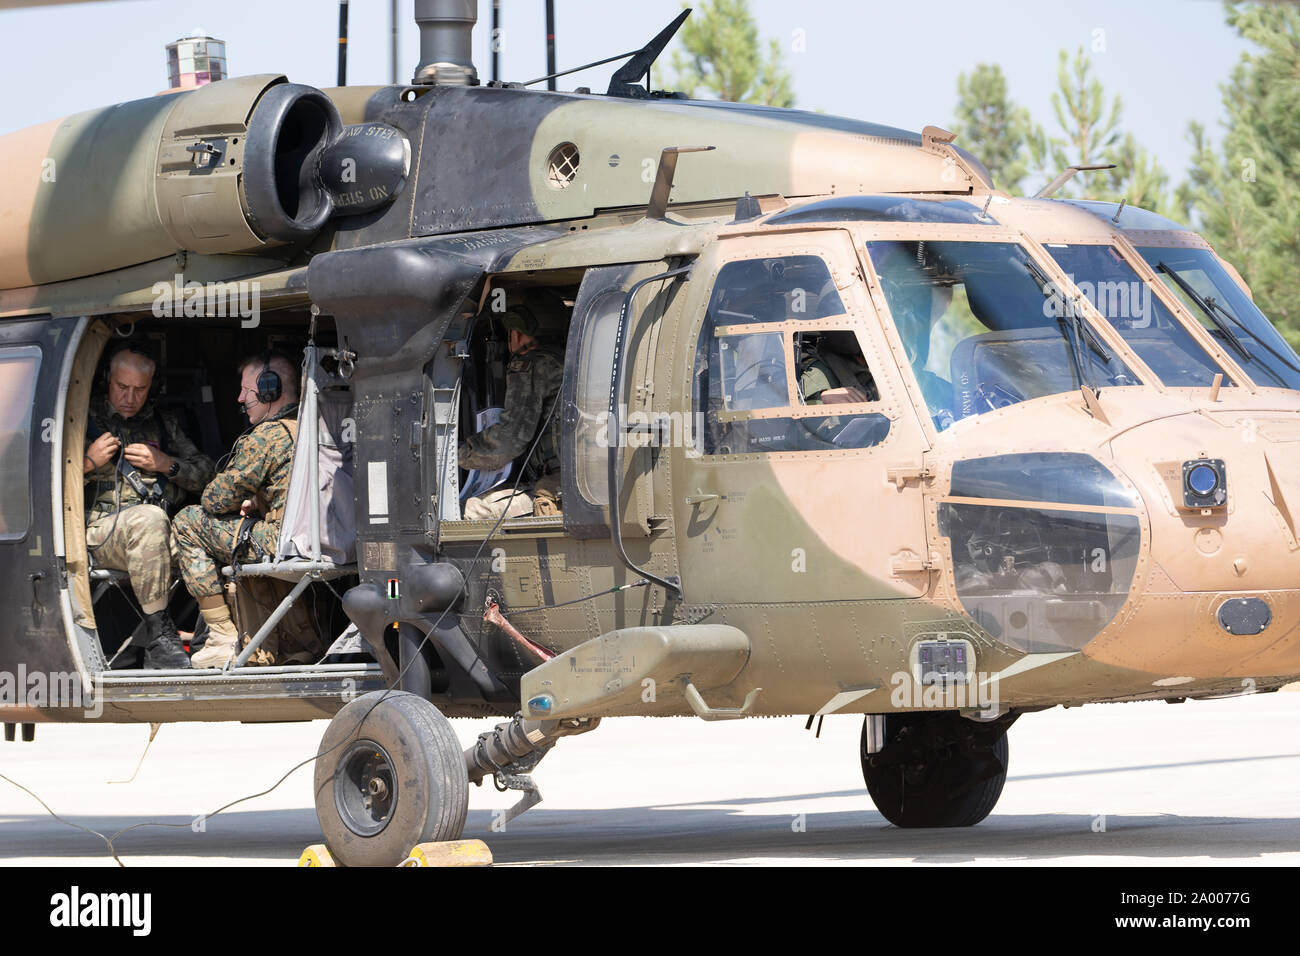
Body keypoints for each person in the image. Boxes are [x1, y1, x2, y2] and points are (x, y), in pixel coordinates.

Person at [84, 344, 214, 669]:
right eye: (122, 387)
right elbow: (35, 480)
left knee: (211, 530)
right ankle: (160, 636)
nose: (130, 397)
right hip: (99, 534)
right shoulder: (81, 418)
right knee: (148, 519)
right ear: (106, 380)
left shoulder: (162, 423)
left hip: (154, 534)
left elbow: (207, 474)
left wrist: (166, 463)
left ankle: (209, 640)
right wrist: (87, 463)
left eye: (139, 389)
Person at [170, 351, 299, 668]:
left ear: (270, 390)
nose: (240, 398)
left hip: (278, 541)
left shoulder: (267, 436)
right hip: (317, 538)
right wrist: (259, 500)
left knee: (188, 522)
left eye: (247, 391)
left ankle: (221, 636)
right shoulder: (315, 424)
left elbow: (215, 500)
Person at [459, 293, 567, 520]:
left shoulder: (533, 364)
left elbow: (507, 442)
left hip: (559, 489)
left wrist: (461, 456)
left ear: (516, 334)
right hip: (580, 486)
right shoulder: (571, 360)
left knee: (471, 511)